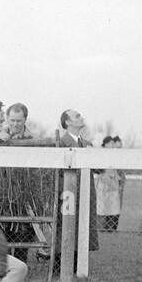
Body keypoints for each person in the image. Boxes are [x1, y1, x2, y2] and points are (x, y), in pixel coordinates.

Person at [51, 109, 100, 273]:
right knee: (65, 228)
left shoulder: (87, 144)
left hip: (85, 194)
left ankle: (79, 266)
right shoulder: (60, 143)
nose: (81, 117)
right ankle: (62, 266)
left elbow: (100, 168)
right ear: (67, 122)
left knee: (83, 227)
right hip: (67, 195)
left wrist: (95, 155)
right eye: (77, 116)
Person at [94, 135, 125, 230]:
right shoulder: (100, 153)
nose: (113, 145)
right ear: (106, 144)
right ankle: (101, 227)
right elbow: (96, 168)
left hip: (113, 184)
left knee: (114, 206)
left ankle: (111, 228)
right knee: (102, 207)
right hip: (103, 184)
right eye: (111, 143)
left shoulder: (114, 154)